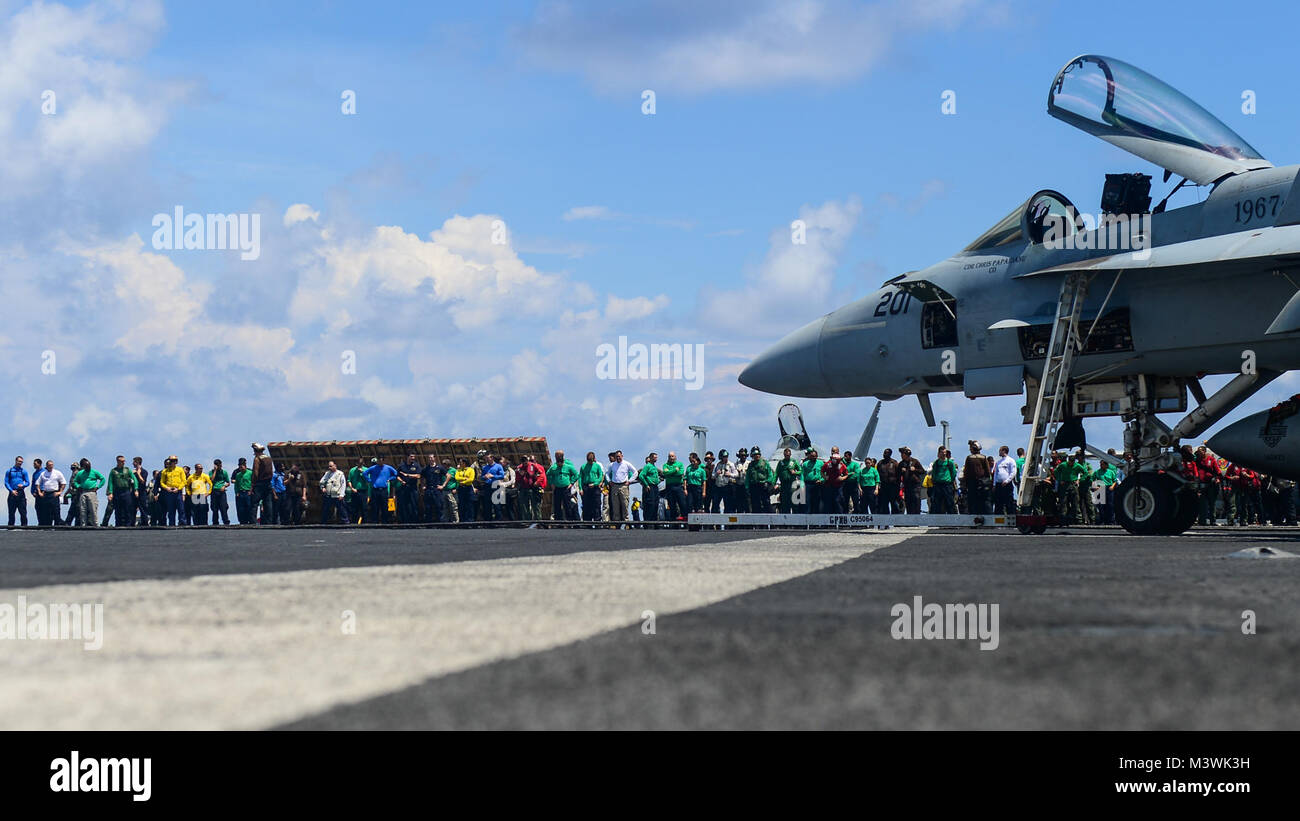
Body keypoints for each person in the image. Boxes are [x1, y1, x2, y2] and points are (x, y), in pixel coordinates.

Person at [546, 451, 580, 521]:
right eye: (558, 463)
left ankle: (569, 520)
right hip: (557, 488)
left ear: (562, 462)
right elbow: (548, 474)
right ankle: (558, 521)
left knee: (567, 505)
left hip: (566, 489)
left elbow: (576, 474)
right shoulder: (553, 467)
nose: (559, 465)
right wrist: (551, 483)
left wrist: (571, 483)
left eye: (560, 463)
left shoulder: (568, 466)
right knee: (557, 505)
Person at [366, 456, 399, 524]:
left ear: (383, 461)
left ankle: (385, 521)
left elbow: (396, 473)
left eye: (381, 461)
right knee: (375, 506)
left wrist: (390, 478)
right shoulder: (373, 468)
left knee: (384, 506)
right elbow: (365, 473)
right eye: (378, 461)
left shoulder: (388, 467)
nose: (379, 462)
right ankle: (375, 521)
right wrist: (369, 480)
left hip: (384, 489)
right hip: (375, 489)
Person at [32, 459, 65, 526]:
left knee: (56, 511)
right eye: (49, 465)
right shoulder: (43, 473)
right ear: (46, 466)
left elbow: (63, 483)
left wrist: (60, 492)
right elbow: (37, 483)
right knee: (47, 512)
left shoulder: (57, 473)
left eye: (52, 465)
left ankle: (58, 526)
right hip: (46, 494)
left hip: (54, 493)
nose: (51, 466)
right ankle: (48, 527)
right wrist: (39, 492)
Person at [606, 450, 636, 524]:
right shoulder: (612, 465)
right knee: (615, 505)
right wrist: (609, 481)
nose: (618, 458)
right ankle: (616, 523)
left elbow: (635, 472)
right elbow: (607, 473)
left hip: (624, 486)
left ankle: (626, 522)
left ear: (622, 456)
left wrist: (630, 481)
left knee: (625, 504)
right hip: (615, 486)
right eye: (616, 457)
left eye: (619, 456)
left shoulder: (626, 464)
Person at [962, 441, 992, 515]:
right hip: (983, 482)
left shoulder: (969, 458)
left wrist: (965, 483)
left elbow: (966, 472)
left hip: (972, 482)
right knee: (985, 500)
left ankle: (973, 516)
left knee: (972, 501)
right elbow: (988, 471)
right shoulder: (983, 457)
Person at [107, 455, 137, 527]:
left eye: (124, 461)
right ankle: (118, 525)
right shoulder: (113, 471)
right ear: (118, 462)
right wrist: (110, 493)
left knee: (128, 508)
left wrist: (136, 489)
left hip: (126, 491)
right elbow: (110, 482)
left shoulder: (127, 470)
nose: (123, 463)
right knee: (117, 509)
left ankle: (128, 525)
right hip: (117, 492)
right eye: (122, 461)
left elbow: (135, 479)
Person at [514, 454, 544, 521]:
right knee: (524, 506)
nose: (525, 462)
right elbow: (517, 479)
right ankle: (528, 521)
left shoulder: (533, 466)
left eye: (526, 460)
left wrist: (537, 482)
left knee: (535, 506)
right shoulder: (519, 468)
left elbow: (541, 474)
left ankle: (538, 521)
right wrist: (520, 475)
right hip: (523, 488)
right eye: (523, 460)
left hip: (532, 488)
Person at [251, 444, 275, 525]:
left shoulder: (257, 459)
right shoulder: (268, 458)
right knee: (268, 503)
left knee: (254, 503)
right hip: (268, 483)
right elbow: (271, 471)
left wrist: (253, 484)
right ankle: (269, 522)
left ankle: (253, 522)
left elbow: (255, 473)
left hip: (259, 483)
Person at [159, 456, 187, 526]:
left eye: (174, 460)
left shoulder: (180, 470)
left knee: (181, 508)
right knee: (171, 509)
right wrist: (167, 488)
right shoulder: (164, 471)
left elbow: (184, 481)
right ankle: (171, 524)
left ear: (176, 461)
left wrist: (178, 488)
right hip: (169, 492)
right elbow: (162, 482)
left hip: (177, 491)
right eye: (171, 460)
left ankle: (182, 522)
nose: (173, 462)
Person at [929, 447, 957, 514]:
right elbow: (934, 473)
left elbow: (953, 473)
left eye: (945, 452)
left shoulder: (949, 462)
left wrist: (950, 480)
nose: (944, 454)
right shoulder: (936, 463)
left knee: (950, 502)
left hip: (947, 485)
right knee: (937, 502)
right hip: (938, 485)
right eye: (942, 452)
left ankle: (953, 517)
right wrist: (935, 481)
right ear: (939, 453)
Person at [579, 452, 605, 523]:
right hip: (586, 487)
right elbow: (580, 478)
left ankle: (597, 521)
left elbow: (600, 476)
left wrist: (595, 483)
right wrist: (580, 489)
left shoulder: (597, 466)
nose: (590, 462)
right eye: (588, 461)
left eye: (591, 461)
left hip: (595, 487)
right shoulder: (583, 466)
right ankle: (587, 522)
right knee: (586, 505)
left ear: (593, 459)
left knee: (596, 504)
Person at [899, 447, 926, 514]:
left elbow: (922, 471)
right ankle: (910, 520)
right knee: (908, 503)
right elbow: (897, 474)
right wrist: (901, 471)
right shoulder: (901, 464)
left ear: (906, 454)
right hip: (907, 486)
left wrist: (915, 470)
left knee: (916, 502)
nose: (901, 455)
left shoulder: (915, 461)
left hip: (915, 486)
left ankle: (916, 518)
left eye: (903, 454)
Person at [421, 455, 448, 523]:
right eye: (429, 458)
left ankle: (440, 522)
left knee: (439, 506)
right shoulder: (426, 468)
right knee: (428, 507)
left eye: (432, 458)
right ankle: (429, 522)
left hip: (437, 490)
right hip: (428, 489)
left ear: (435, 458)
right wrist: (423, 485)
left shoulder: (439, 467)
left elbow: (448, 476)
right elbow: (421, 477)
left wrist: (443, 485)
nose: (430, 459)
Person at [396, 453, 422, 523]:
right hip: (404, 488)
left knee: (414, 504)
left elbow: (418, 476)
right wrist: (401, 481)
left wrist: (408, 475)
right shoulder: (401, 465)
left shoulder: (416, 465)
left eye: (414, 456)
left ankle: (415, 521)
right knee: (404, 505)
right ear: (407, 457)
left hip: (413, 488)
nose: (413, 458)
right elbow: (397, 475)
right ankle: (405, 521)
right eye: (411, 456)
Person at [746, 446, 773, 513]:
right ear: (752, 455)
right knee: (755, 505)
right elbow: (748, 477)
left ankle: (771, 522)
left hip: (763, 485)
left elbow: (770, 474)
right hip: (754, 486)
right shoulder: (751, 465)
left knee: (766, 503)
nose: (756, 456)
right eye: (755, 455)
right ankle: (758, 523)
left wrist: (768, 482)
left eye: (758, 454)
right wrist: (747, 487)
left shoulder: (765, 463)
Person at [661, 452, 686, 521]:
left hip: (678, 486)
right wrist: (675, 470)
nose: (671, 458)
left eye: (672, 456)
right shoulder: (665, 465)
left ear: (675, 457)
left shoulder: (680, 464)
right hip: (669, 486)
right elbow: (665, 473)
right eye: (669, 456)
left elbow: (680, 473)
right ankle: (673, 520)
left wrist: (670, 473)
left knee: (682, 503)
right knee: (671, 504)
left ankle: (685, 518)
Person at [710, 449, 738, 513]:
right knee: (715, 504)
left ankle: (727, 521)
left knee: (728, 505)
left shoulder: (731, 464)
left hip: (727, 486)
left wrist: (730, 474)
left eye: (726, 457)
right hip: (718, 487)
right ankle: (715, 520)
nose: (725, 458)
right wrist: (716, 473)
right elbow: (712, 476)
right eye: (723, 457)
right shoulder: (717, 464)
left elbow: (736, 474)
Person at [993, 446, 1018, 515]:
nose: (999, 452)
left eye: (1000, 451)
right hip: (999, 484)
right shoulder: (998, 462)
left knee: (1009, 502)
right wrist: (994, 484)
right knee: (998, 502)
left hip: (1007, 484)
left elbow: (1013, 472)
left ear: (1004, 451)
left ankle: (1010, 516)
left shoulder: (1010, 460)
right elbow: (996, 474)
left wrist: (1007, 481)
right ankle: (998, 518)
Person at [5, 455, 29, 527]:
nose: (20, 463)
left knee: (23, 512)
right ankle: (11, 527)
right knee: (11, 512)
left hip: (21, 493)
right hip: (12, 493)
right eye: (19, 461)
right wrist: (11, 490)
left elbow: (28, 482)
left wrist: (23, 485)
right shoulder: (9, 471)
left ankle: (24, 526)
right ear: (16, 461)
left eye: (21, 462)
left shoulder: (23, 471)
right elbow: (6, 482)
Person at [637, 453, 661, 523]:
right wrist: (646, 484)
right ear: (651, 458)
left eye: (657, 457)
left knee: (656, 503)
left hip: (655, 486)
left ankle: (654, 521)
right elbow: (641, 475)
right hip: (650, 486)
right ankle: (648, 522)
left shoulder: (654, 467)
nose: (656, 459)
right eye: (655, 457)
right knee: (650, 504)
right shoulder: (647, 466)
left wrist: (659, 480)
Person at [876, 449, 901, 514]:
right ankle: (886, 523)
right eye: (884, 453)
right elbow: (877, 474)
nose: (884, 454)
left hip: (893, 487)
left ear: (890, 454)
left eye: (886, 453)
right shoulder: (880, 463)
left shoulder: (894, 463)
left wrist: (897, 487)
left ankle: (896, 521)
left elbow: (899, 475)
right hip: (884, 487)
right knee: (884, 505)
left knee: (894, 504)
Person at [775, 448, 799, 514]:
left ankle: (796, 522)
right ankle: (786, 523)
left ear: (790, 454)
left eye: (788, 455)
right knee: (785, 504)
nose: (787, 456)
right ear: (784, 455)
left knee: (794, 503)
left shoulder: (794, 462)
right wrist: (773, 483)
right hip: (784, 485)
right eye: (786, 455)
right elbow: (776, 473)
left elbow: (801, 471)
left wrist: (795, 472)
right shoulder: (781, 463)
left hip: (792, 485)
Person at [800, 449, 824, 514]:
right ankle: (807, 518)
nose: (813, 457)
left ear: (817, 456)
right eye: (812, 456)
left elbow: (825, 474)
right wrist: (802, 485)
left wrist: (821, 480)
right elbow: (802, 474)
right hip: (808, 484)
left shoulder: (821, 463)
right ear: (809, 456)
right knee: (807, 501)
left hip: (817, 484)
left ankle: (816, 519)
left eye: (815, 456)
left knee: (817, 501)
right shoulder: (805, 464)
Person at [453, 457, 477, 523]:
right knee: (462, 504)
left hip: (468, 488)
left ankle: (470, 519)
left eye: (461, 462)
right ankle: (463, 519)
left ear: (464, 463)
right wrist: (465, 478)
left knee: (469, 504)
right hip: (461, 488)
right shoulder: (458, 470)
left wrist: (463, 482)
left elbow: (471, 479)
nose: (460, 464)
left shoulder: (470, 470)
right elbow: (456, 477)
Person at [346, 457, 369, 524]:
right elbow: (349, 480)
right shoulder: (352, 470)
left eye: (361, 464)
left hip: (363, 491)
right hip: (355, 491)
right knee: (354, 508)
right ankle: (354, 522)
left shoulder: (366, 470)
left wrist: (363, 473)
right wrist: (352, 488)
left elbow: (368, 481)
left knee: (364, 508)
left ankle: (365, 523)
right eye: (358, 464)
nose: (360, 465)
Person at [231, 457, 253, 525]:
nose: (241, 467)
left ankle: (250, 521)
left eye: (243, 465)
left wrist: (251, 490)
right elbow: (235, 483)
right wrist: (236, 492)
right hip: (240, 492)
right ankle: (242, 521)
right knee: (240, 508)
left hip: (248, 492)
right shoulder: (237, 473)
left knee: (249, 507)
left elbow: (253, 482)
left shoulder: (250, 472)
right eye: (240, 465)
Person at [210, 459, 231, 526]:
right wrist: (215, 471)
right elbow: (211, 480)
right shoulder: (211, 472)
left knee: (223, 507)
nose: (220, 466)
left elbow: (228, 482)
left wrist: (224, 486)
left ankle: (226, 522)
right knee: (214, 508)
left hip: (222, 491)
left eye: (220, 465)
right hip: (214, 491)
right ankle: (215, 522)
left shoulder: (224, 472)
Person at [132, 457, 150, 526]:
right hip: (133, 492)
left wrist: (138, 474)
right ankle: (131, 524)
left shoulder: (144, 471)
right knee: (132, 509)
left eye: (134, 462)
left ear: (137, 462)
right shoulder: (132, 472)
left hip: (142, 492)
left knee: (143, 508)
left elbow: (143, 481)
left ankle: (145, 524)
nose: (132, 463)